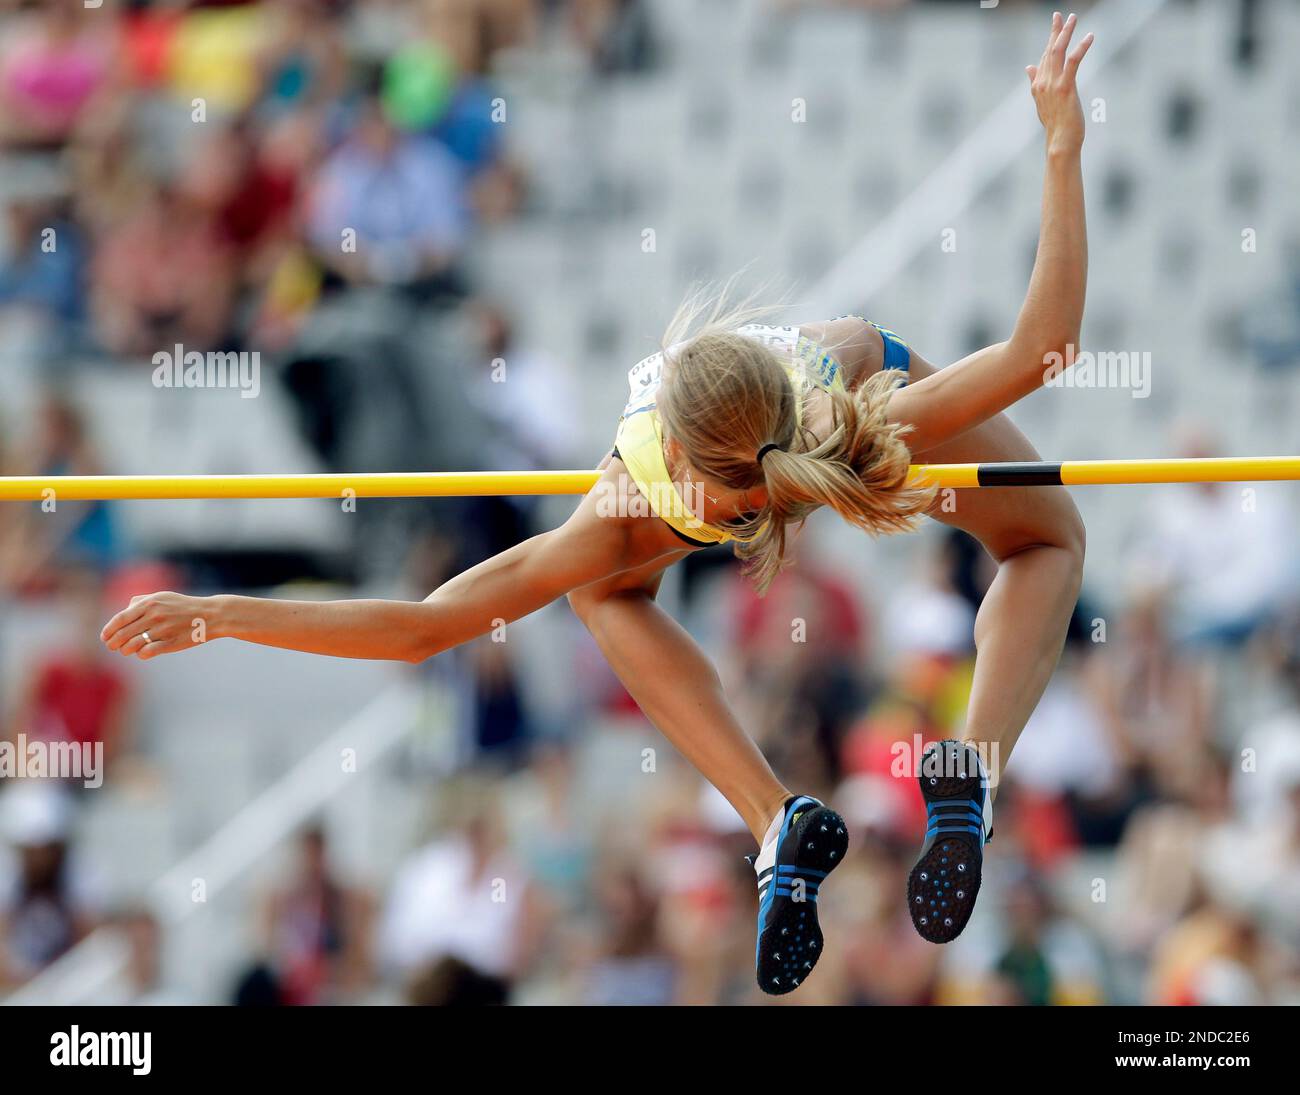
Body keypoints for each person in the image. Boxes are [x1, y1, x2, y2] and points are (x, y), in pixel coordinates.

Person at [100, 13, 1093, 995]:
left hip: (749, 457)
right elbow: (1042, 347)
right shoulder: (847, 421)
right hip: (845, 399)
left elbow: (422, 629)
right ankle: (970, 765)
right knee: (1046, 541)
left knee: (604, 598)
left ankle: (773, 822)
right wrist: (1058, 144)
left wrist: (223, 613)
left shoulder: (631, 510)